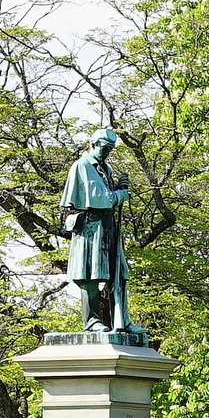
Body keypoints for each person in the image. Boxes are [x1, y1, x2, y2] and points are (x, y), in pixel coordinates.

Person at [61, 129, 133, 334]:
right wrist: (120, 194)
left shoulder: (104, 169)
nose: (107, 152)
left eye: (110, 149)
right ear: (93, 144)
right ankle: (92, 322)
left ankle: (122, 320)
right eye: (105, 148)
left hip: (108, 228)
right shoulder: (82, 166)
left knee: (118, 273)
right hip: (90, 229)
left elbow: (108, 197)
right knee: (90, 276)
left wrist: (119, 187)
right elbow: (100, 199)